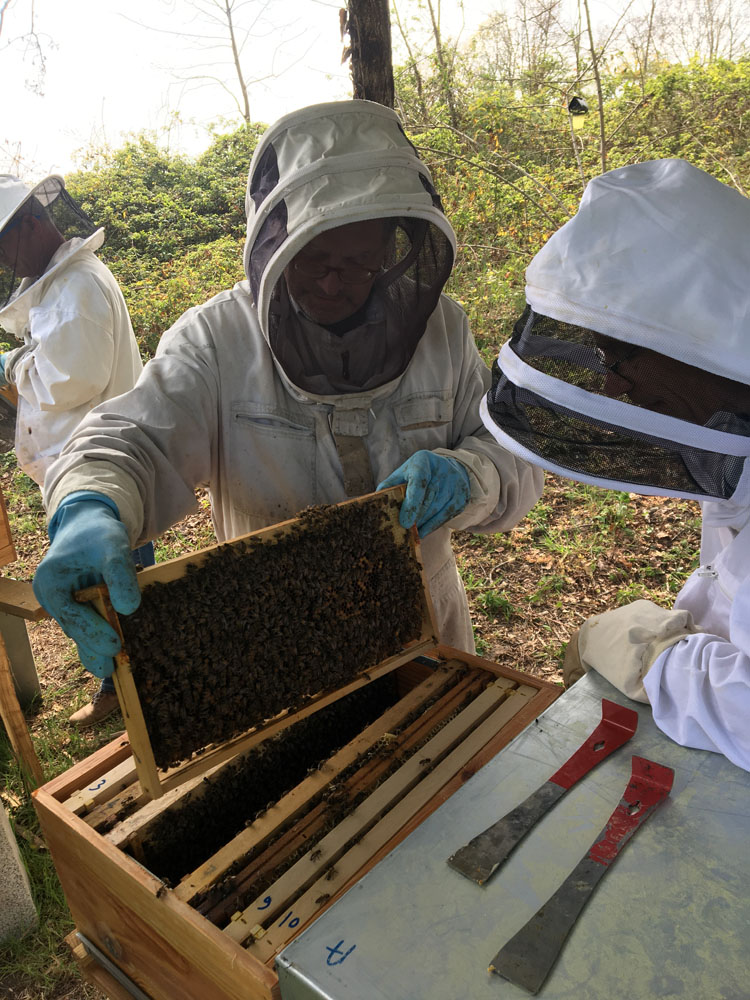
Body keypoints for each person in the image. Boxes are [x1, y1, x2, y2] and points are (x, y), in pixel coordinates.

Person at [31, 100, 543, 688]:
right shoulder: (215, 341)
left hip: (427, 625)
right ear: (275, 245)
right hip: (279, 648)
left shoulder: (442, 330)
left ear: (391, 248)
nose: (332, 281)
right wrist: (89, 505)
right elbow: (134, 439)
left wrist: (470, 474)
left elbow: (510, 453)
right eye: (315, 258)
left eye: (357, 261)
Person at [480, 157, 750, 772]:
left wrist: (662, 661)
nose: (615, 385)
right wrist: (675, 632)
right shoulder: (731, 433)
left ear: (704, 342)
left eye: (623, 355)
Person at [0, 174, 151, 727]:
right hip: (83, 470)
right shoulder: (62, 285)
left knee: (118, 581)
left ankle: (134, 686)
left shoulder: (78, 285)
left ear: (33, 224)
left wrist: (14, 365)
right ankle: (122, 682)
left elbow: (73, 379)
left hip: (102, 469)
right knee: (99, 583)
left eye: (2, 243)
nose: (2, 259)